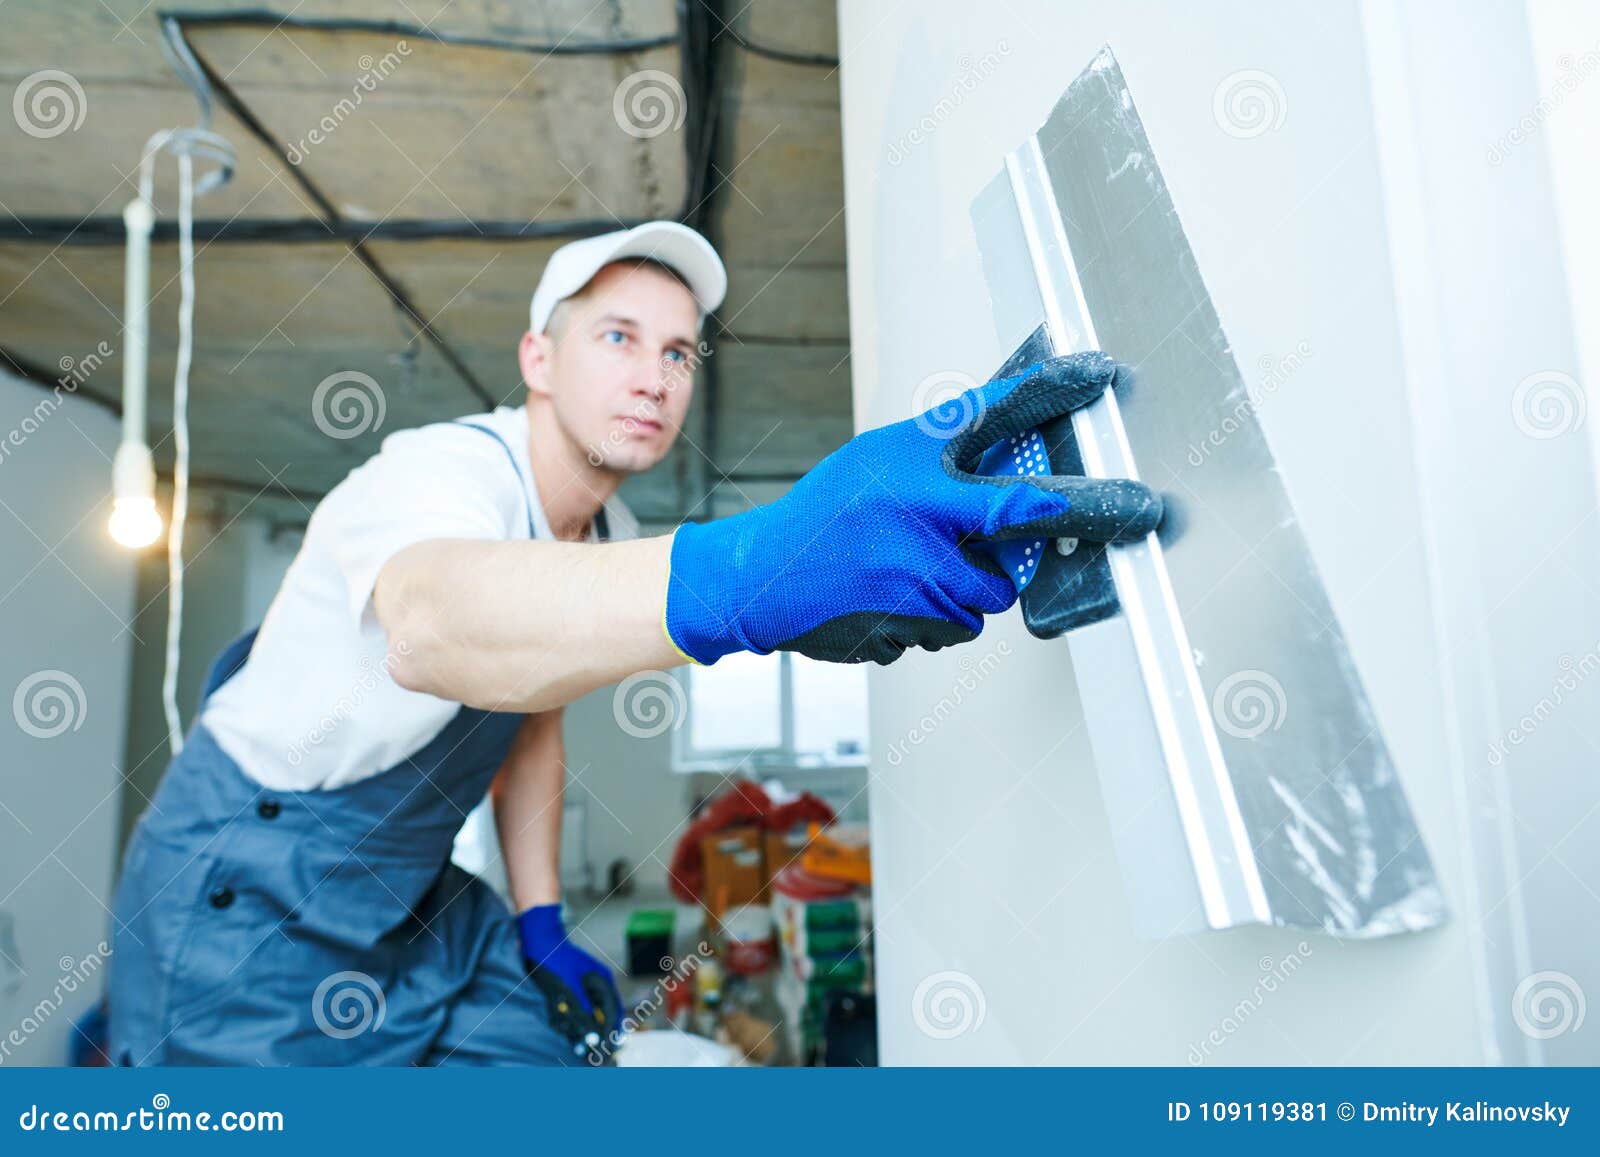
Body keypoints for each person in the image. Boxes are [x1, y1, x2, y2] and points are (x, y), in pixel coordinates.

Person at [107, 220, 1160, 1066]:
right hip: (248, 885)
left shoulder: (597, 527)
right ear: (539, 357)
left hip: (413, 885)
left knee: (544, 1056)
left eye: (677, 351)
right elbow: (429, 629)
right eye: (616, 337)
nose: (654, 375)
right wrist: (748, 571)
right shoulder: (439, 477)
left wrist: (541, 920)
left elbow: (523, 721)